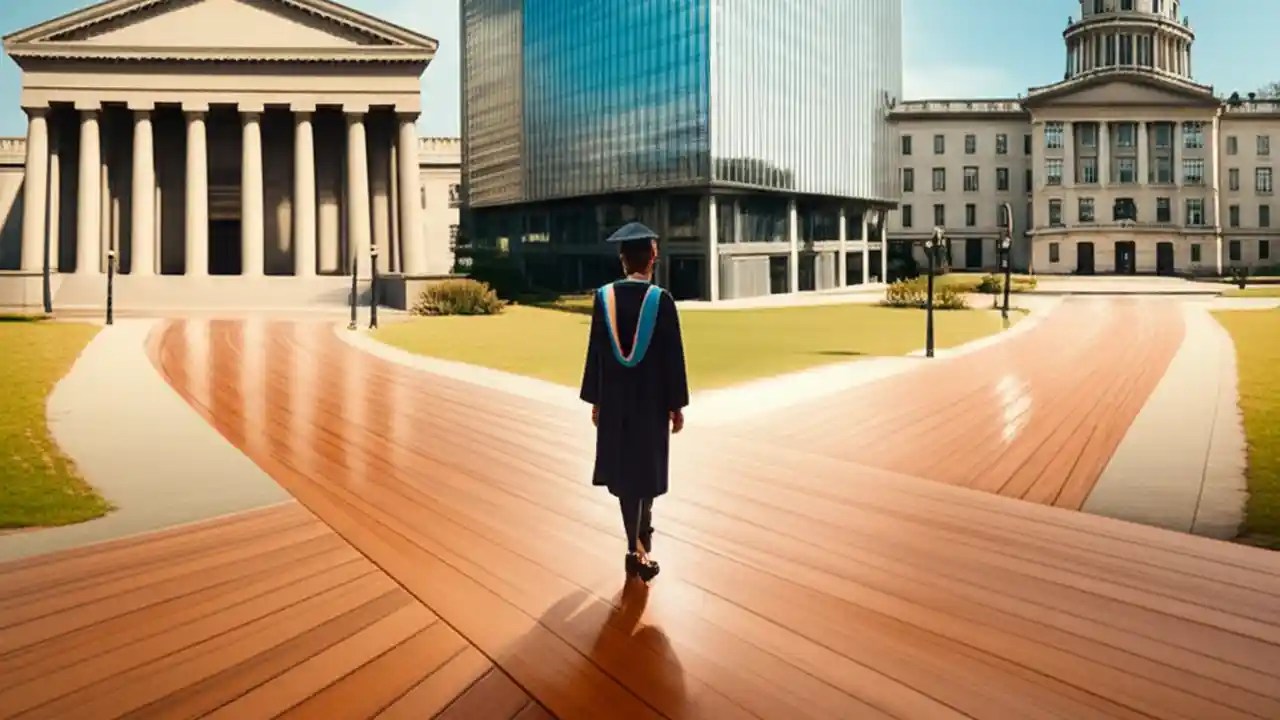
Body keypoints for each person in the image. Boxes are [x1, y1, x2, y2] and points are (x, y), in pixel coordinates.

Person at [580, 221, 690, 584]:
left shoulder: (603, 298)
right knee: (646, 473)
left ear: (623, 259)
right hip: (650, 405)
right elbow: (673, 358)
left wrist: (596, 400)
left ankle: (637, 541)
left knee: (626, 478)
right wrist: (676, 405)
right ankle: (637, 547)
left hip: (616, 404)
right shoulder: (662, 301)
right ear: (653, 256)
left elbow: (596, 353)